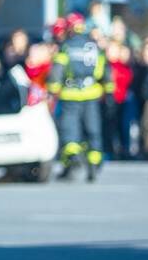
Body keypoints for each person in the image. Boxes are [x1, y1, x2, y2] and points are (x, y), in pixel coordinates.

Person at [48, 12, 112, 181]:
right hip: (92, 95)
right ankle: (94, 163)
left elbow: (57, 71)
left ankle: (74, 158)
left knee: (70, 130)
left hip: (71, 95)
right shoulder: (93, 46)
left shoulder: (66, 47)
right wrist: (109, 91)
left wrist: (53, 90)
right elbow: (104, 70)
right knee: (93, 131)